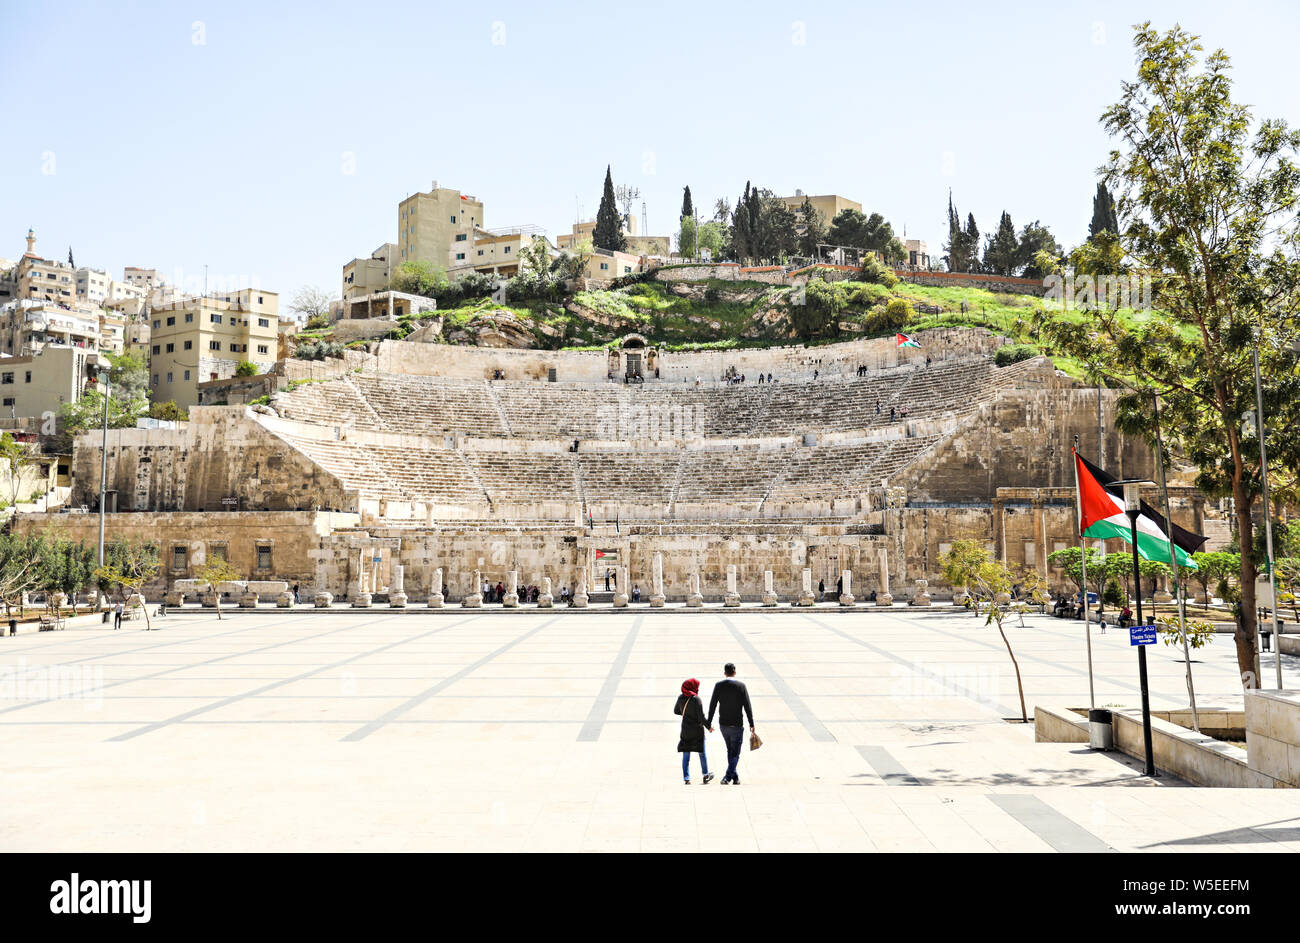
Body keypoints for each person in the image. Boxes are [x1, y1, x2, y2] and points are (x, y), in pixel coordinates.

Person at [706, 663, 755, 785]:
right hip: (737, 725)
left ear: (724, 673)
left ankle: (735, 777)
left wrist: (708, 723)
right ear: (735, 672)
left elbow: (712, 705)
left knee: (730, 751)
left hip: (724, 725)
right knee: (735, 753)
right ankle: (727, 777)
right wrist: (751, 723)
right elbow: (747, 706)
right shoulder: (741, 686)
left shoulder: (719, 686)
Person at [675, 678, 713, 785]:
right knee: (702, 753)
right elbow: (701, 717)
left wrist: (686, 714)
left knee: (686, 755)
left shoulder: (681, 697)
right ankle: (705, 775)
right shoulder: (696, 699)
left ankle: (686, 778)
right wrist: (709, 727)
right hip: (697, 730)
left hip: (685, 730)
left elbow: (676, 711)